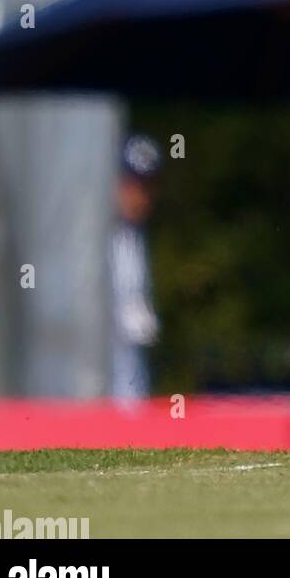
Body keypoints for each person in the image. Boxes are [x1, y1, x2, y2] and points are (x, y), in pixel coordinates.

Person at [110, 134, 162, 402]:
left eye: (146, 187)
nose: (139, 197)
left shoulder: (135, 238)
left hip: (129, 384)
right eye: (131, 185)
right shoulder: (95, 242)